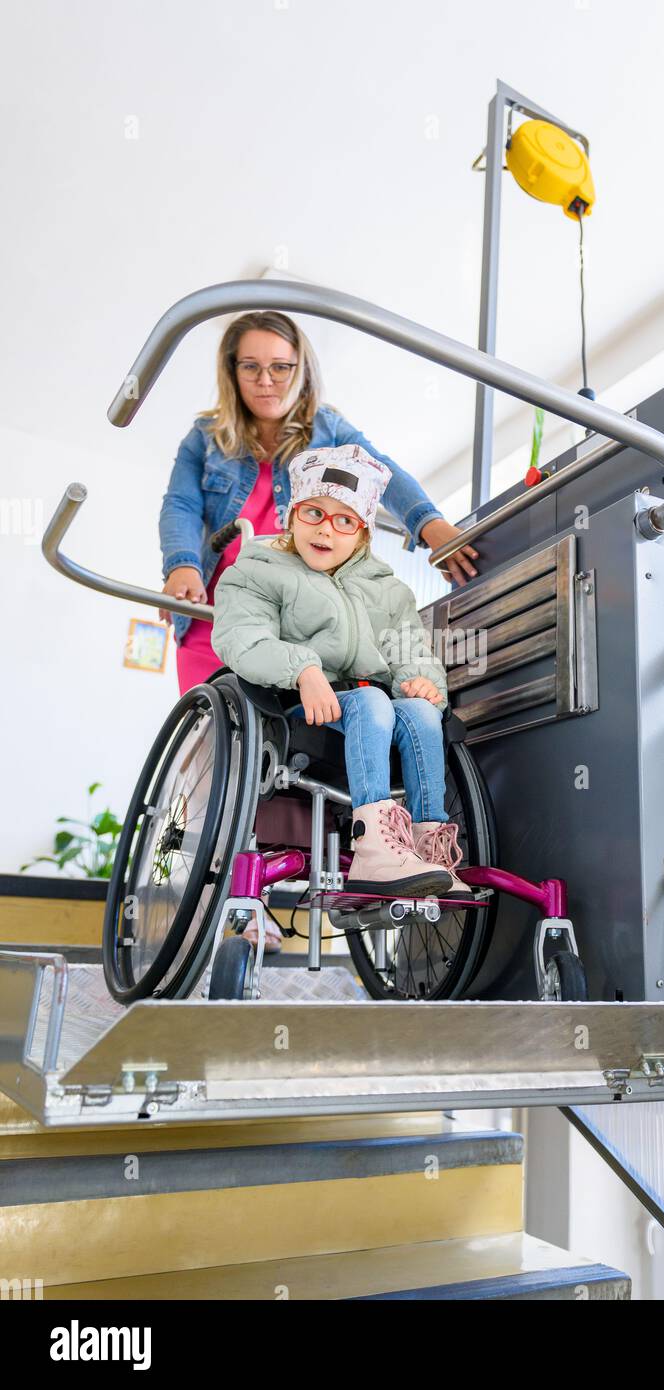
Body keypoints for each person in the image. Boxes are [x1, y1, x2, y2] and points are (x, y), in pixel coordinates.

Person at [211, 444, 471, 952]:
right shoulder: (259, 568)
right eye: (314, 513)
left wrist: (421, 681)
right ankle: (376, 850)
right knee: (375, 704)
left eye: (344, 521)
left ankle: (427, 851)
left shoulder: (388, 590)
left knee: (419, 711)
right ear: (293, 516)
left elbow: (409, 651)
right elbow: (243, 639)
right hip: (292, 707)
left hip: (368, 707)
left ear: (364, 533)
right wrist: (304, 668)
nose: (326, 529)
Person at [159, 310, 479, 692]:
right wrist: (181, 566)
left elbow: (383, 472)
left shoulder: (327, 428)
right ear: (232, 371)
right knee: (213, 736)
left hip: (296, 618)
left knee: (286, 738)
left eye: (280, 367)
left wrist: (429, 523)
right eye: (251, 367)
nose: (265, 381)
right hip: (216, 615)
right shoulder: (205, 438)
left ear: (302, 370)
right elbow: (180, 506)